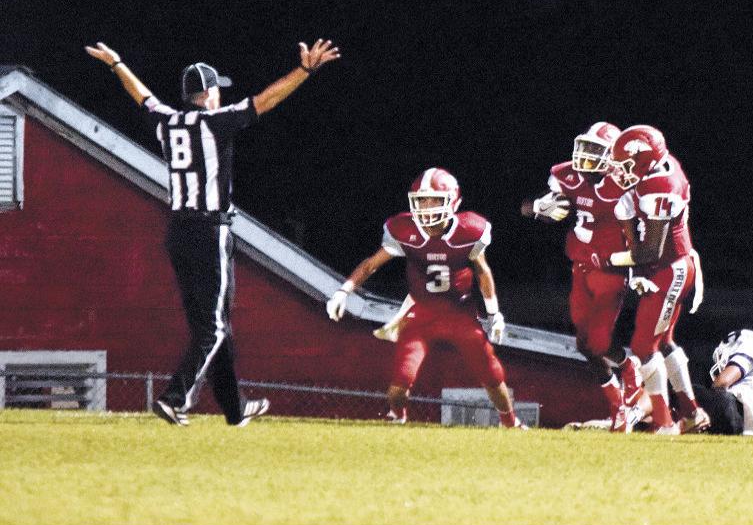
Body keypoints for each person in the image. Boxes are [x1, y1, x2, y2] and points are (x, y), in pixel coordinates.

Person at [85, 39, 340, 426]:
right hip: (209, 229)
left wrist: (117, 63)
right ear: (206, 95)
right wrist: (304, 72)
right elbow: (265, 101)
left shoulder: (169, 121)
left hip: (178, 232)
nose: (221, 95)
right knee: (215, 326)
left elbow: (142, 96)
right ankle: (175, 398)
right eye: (217, 89)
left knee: (211, 325)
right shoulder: (215, 122)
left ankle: (235, 408)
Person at [326, 168, 524, 428]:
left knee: (491, 373)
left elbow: (483, 272)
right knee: (398, 389)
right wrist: (344, 291)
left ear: (453, 201)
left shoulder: (469, 230)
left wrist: (493, 314)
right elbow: (371, 264)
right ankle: (398, 417)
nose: (427, 207)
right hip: (421, 313)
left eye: (434, 200)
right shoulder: (404, 229)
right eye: (422, 200)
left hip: (459, 313)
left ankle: (510, 422)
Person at [520, 122, 642, 432]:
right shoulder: (567, 175)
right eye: (584, 148)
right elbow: (525, 208)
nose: (585, 156)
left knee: (599, 342)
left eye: (595, 150)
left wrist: (626, 264)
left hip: (609, 272)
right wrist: (537, 207)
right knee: (584, 345)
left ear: (612, 157)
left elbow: (639, 246)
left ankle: (629, 369)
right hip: (580, 268)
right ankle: (617, 401)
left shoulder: (622, 187)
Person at [605, 125, 707, 434]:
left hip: (669, 267)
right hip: (669, 265)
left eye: (625, 164)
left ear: (644, 160)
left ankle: (665, 422)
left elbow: (650, 250)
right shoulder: (653, 169)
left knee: (643, 345)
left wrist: (611, 260)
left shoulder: (661, 184)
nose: (620, 171)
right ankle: (691, 412)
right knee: (663, 341)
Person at [692, 329, 753, 436]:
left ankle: (671, 424)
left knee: (691, 391)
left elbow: (722, 382)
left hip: (734, 412)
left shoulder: (748, 343)